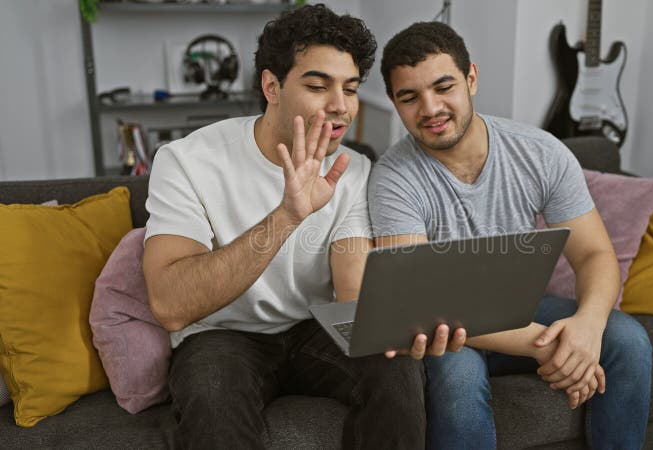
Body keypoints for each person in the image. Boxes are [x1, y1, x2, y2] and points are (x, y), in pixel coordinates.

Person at [142, 6, 441, 449]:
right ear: (271, 87)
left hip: (314, 329)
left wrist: (409, 325)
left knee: (396, 366)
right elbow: (170, 305)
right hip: (222, 335)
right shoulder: (187, 161)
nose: (340, 106)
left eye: (350, 89)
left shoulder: (353, 169)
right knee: (212, 393)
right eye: (318, 86)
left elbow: (353, 294)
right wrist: (287, 216)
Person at [369, 22, 652, 450]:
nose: (430, 108)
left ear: (471, 79)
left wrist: (588, 327)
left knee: (627, 340)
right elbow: (419, 304)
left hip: (520, 307)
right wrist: (548, 347)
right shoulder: (392, 179)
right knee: (458, 375)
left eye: (443, 87)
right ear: (394, 102)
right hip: (449, 326)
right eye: (409, 97)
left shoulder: (540, 152)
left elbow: (594, 253)